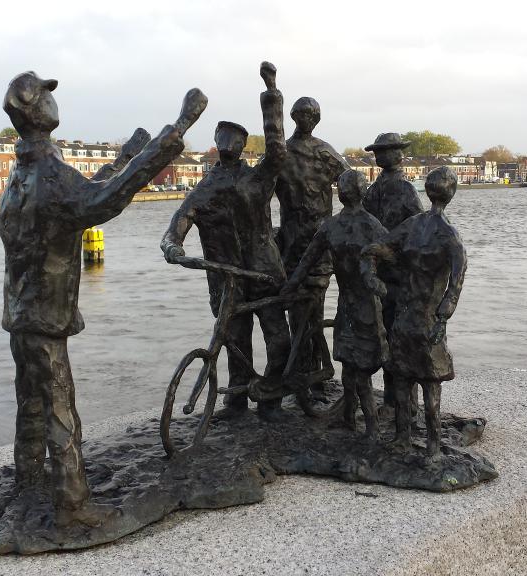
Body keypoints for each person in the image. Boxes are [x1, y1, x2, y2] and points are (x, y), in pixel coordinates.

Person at [0, 71, 206, 525]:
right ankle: (72, 505)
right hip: (45, 316)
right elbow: (104, 200)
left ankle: (27, 479)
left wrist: (126, 155)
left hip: (20, 314)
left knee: (30, 404)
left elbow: (81, 197)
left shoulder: (23, 172)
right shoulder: (49, 175)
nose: (56, 101)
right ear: (36, 111)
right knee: (58, 407)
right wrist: (179, 129)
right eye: (48, 96)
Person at [161, 62, 291, 417]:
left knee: (278, 338)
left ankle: (270, 396)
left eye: (235, 138)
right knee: (234, 340)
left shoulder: (257, 179)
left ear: (242, 145)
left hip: (263, 272)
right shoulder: (204, 189)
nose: (228, 143)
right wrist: (173, 247)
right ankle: (235, 399)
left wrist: (272, 93)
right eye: (224, 137)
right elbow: (178, 225)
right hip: (225, 276)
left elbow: (278, 151)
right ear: (217, 143)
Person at [362, 166, 467, 457]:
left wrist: (372, 272)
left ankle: (403, 438)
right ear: (452, 194)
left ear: (427, 190)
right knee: (429, 385)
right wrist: (443, 318)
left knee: (403, 378)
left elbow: (378, 247)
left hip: (405, 314)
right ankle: (431, 447)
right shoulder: (450, 236)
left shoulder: (412, 226)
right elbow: (456, 283)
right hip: (427, 317)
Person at [282, 170, 388, 439]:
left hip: (351, 304)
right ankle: (352, 419)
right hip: (364, 304)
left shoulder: (331, 226)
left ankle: (371, 428)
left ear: (339, 194)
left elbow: (305, 263)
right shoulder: (373, 225)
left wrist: (288, 288)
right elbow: (394, 260)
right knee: (355, 367)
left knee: (354, 369)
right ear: (363, 193)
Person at [274, 97, 350, 383]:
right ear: (294, 117)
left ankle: (313, 373)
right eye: (304, 114)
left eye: (312, 115)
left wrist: (345, 226)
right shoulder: (282, 153)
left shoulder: (324, 152)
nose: (308, 119)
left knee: (313, 306)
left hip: (319, 240)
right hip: (291, 241)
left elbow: (352, 186)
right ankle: (303, 372)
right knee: (297, 307)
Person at [361, 132, 425, 409]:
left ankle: (407, 402)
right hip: (381, 271)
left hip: (399, 272)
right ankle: (392, 399)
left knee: (399, 335)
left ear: (399, 154)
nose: (381, 155)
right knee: (384, 333)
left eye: (386, 150)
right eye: (378, 151)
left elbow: (417, 227)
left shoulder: (406, 189)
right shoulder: (375, 188)